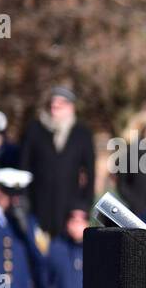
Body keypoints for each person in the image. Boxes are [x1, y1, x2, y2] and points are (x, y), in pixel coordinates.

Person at [18, 86, 94, 237]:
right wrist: (23, 199)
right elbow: (23, 166)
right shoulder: (35, 130)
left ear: (71, 107)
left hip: (68, 206)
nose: (55, 106)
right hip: (37, 205)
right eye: (53, 102)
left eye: (61, 103)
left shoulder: (82, 133)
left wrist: (84, 206)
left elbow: (90, 173)